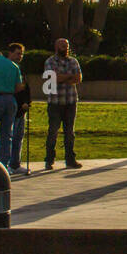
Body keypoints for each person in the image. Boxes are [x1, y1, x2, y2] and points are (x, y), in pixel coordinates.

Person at [43, 36, 83, 170]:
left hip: (70, 101)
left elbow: (78, 78)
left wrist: (61, 77)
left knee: (70, 132)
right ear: (56, 47)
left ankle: (70, 159)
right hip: (55, 101)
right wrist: (69, 77)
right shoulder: (49, 61)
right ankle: (49, 160)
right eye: (62, 46)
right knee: (53, 131)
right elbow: (52, 78)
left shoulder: (73, 61)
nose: (65, 48)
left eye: (66, 46)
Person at [7, 42, 30, 175]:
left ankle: (15, 163)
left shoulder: (20, 68)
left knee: (19, 137)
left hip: (23, 107)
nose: (19, 56)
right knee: (10, 136)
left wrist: (27, 101)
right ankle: (7, 163)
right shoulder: (9, 68)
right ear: (10, 53)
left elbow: (25, 87)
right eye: (17, 53)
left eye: (21, 54)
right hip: (13, 105)